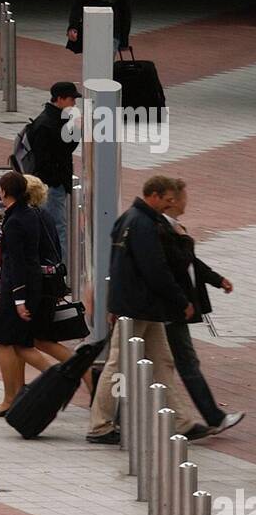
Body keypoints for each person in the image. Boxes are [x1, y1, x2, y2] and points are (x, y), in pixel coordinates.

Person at [87, 175, 210, 444]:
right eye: (167, 200)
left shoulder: (128, 219)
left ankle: (180, 420)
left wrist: (112, 303)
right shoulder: (144, 224)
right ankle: (100, 425)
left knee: (162, 361)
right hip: (138, 306)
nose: (169, 205)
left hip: (142, 306)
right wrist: (181, 301)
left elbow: (116, 266)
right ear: (153, 195)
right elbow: (156, 269)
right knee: (118, 363)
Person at [161, 179, 244, 435]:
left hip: (170, 308)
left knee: (175, 363)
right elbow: (178, 263)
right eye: (184, 196)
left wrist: (217, 280)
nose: (187, 201)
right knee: (185, 362)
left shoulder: (172, 227)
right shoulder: (165, 229)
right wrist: (186, 240)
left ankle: (211, 416)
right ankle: (213, 417)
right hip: (170, 310)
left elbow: (191, 263)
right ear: (171, 199)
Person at [0, 170, 56, 416]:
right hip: (28, 286)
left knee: (6, 342)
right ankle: (20, 393)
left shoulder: (14, 221)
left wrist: (19, 298)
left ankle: (12, 397)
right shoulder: (29, 214)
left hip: (16, 288)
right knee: (18, 343)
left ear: (4, 191)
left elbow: (16, 261)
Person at [23, 174, 92, 392]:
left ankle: (79, 373)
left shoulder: (31, 218)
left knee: (40, 340)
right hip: (49, 283)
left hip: (40, 287)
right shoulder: (44, 215)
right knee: (38, 339)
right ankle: (81, 374)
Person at [27, 81, 80, 261]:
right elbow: (47, 158)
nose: (74, 104)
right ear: (60, 99)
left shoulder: (55, 119)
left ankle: (58, 270)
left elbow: (65, 148)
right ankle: (59, 271)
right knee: (57, 229)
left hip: (53, 183)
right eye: (72, 99)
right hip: (51, 185)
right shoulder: (46, 123)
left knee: (57, 227)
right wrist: (56, 180)